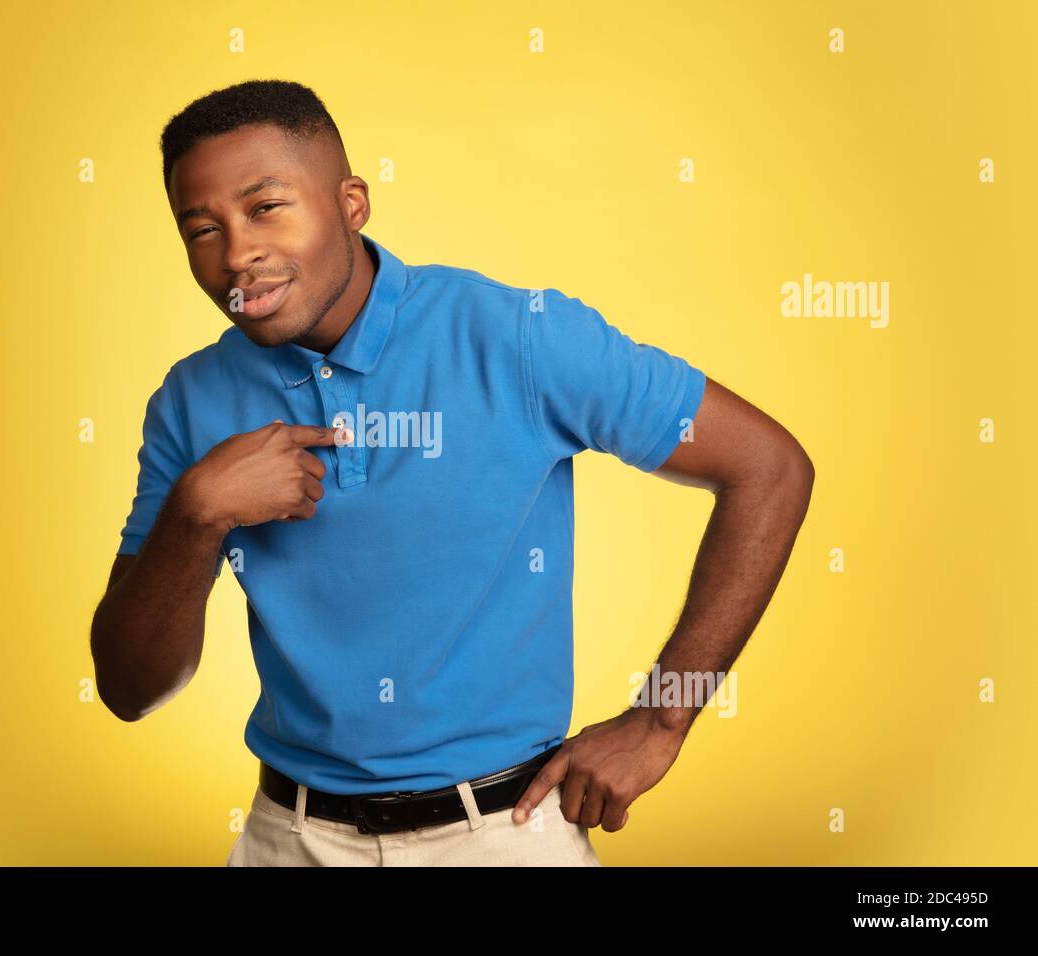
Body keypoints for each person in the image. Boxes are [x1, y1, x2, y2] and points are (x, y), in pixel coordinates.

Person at [89, 79, 815, 866]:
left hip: (503, 835)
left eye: (267, 208)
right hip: (286, 836)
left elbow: (768, 467)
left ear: (351, 203)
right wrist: (198, 512)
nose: (236, 254)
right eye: (202, 229)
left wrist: (661, 718)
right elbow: (131, 689)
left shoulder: (518, 338)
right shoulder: (189, 401)